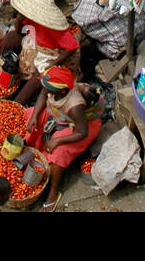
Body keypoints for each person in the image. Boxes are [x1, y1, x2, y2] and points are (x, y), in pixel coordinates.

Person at [23, 67, 103, 211]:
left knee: (58, 153)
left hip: (84, 126)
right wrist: (35, 117)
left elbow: (82, 132)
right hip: (60, 114)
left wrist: (57, 141)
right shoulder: (53, 87)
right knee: (29, 116)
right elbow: (43, 94)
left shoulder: (75, 106)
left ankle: (53, 192)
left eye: (49, 89)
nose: (45, 90)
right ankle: (31, 150)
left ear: (62, 91)